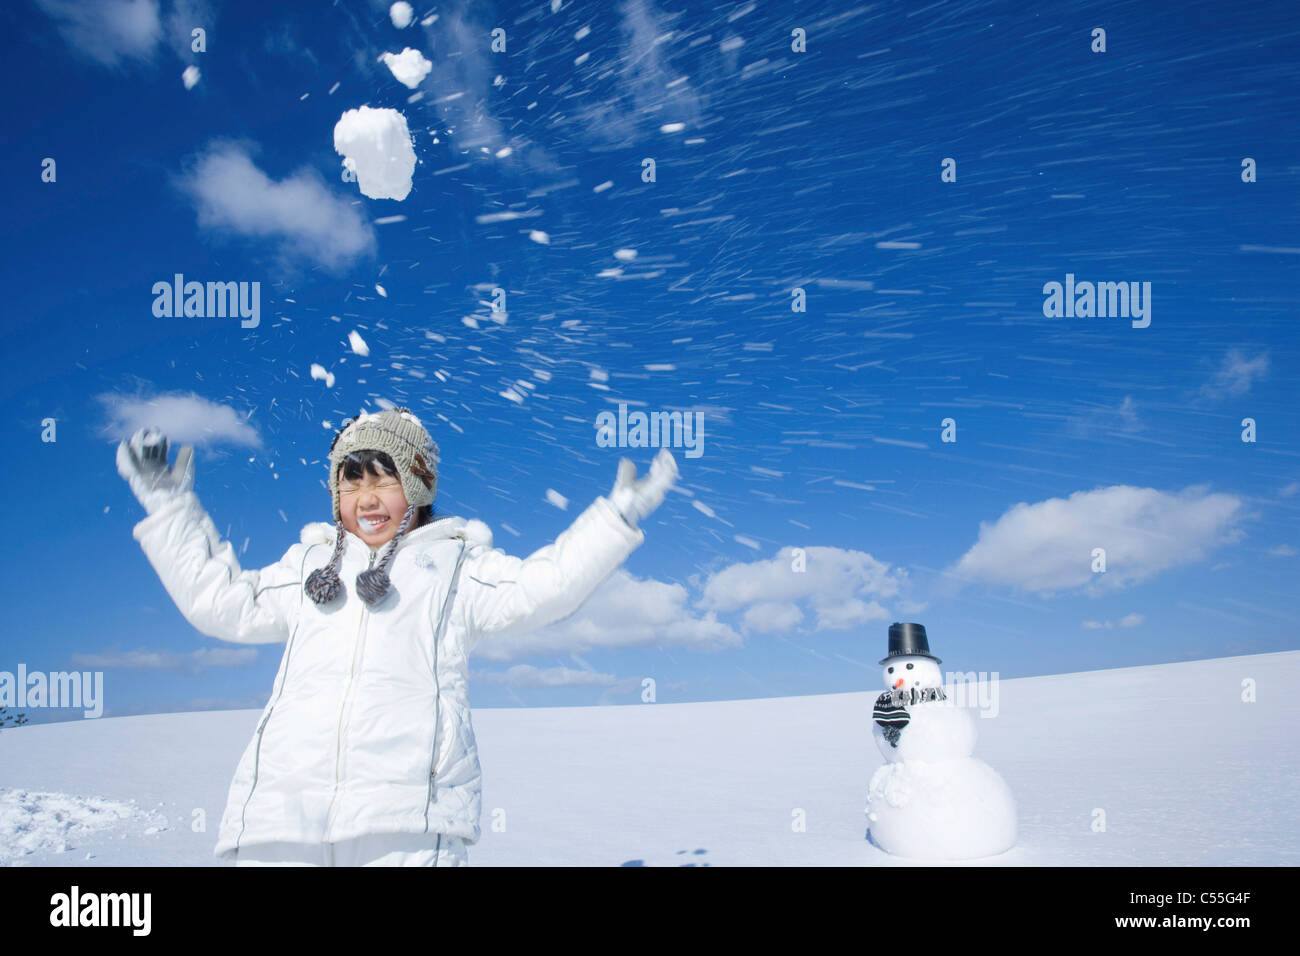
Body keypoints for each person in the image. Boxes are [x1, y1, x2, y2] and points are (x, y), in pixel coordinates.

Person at [116, 406, 678, 866]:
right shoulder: (309, 567)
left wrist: (613, 521)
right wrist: (168, 506)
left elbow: (546, 586)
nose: (366, 496)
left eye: (386, 478)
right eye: (351, 478)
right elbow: (221, 604)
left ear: (419, 484)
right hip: (282, 817)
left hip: (407, 819)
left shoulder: (456, 567)